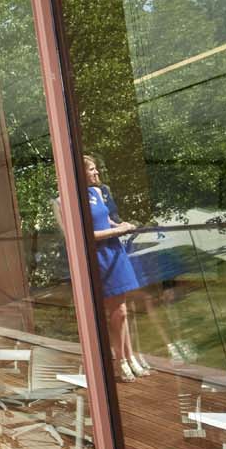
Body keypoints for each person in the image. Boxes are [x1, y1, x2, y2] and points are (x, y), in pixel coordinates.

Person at [84, 154, 148, 380]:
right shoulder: (74, 199)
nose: (96, 172)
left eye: (96, 168)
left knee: (122, 310)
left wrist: (122, 224)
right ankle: (120, 361)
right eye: (92, 169)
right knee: (117, 311)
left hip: (115, 251)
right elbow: (87, 234)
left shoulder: (97, 192)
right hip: (100, 255)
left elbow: (106, 219)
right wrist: (117, 231)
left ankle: (129, 358)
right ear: (81, 173)